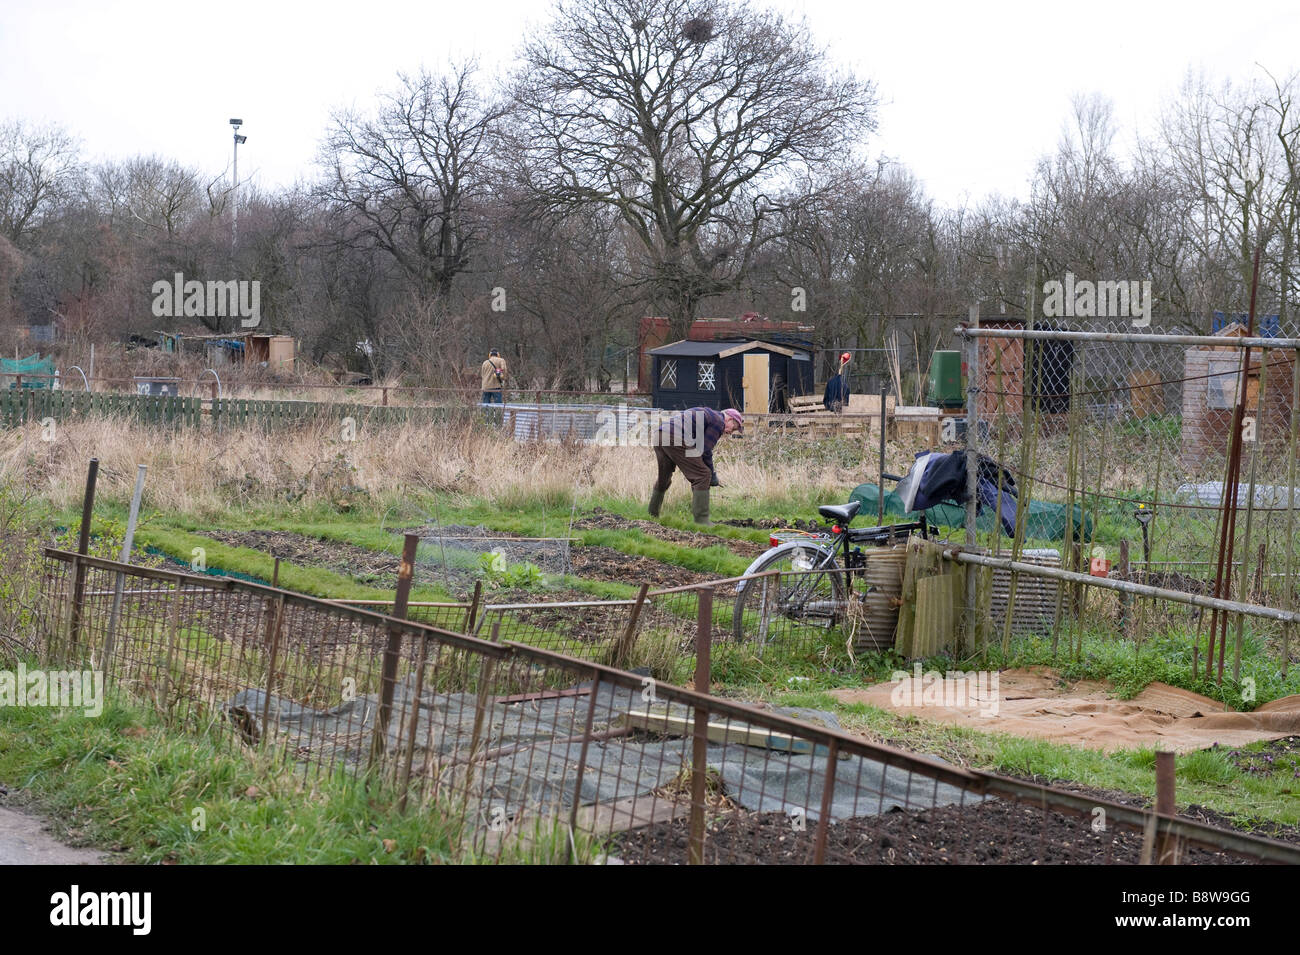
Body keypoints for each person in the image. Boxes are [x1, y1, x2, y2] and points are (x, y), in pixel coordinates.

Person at [648, 407, 743, 525]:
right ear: (729, 419)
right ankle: (702, 521)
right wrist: (712, 474)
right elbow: (705, 451)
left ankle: (652, 514)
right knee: (703, 475)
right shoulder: (719, 421)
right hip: (675, 436)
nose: (729, 432)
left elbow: (698, 447)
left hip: (660, 434)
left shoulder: (708, 414)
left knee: (664, 478)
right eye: (733, 428)